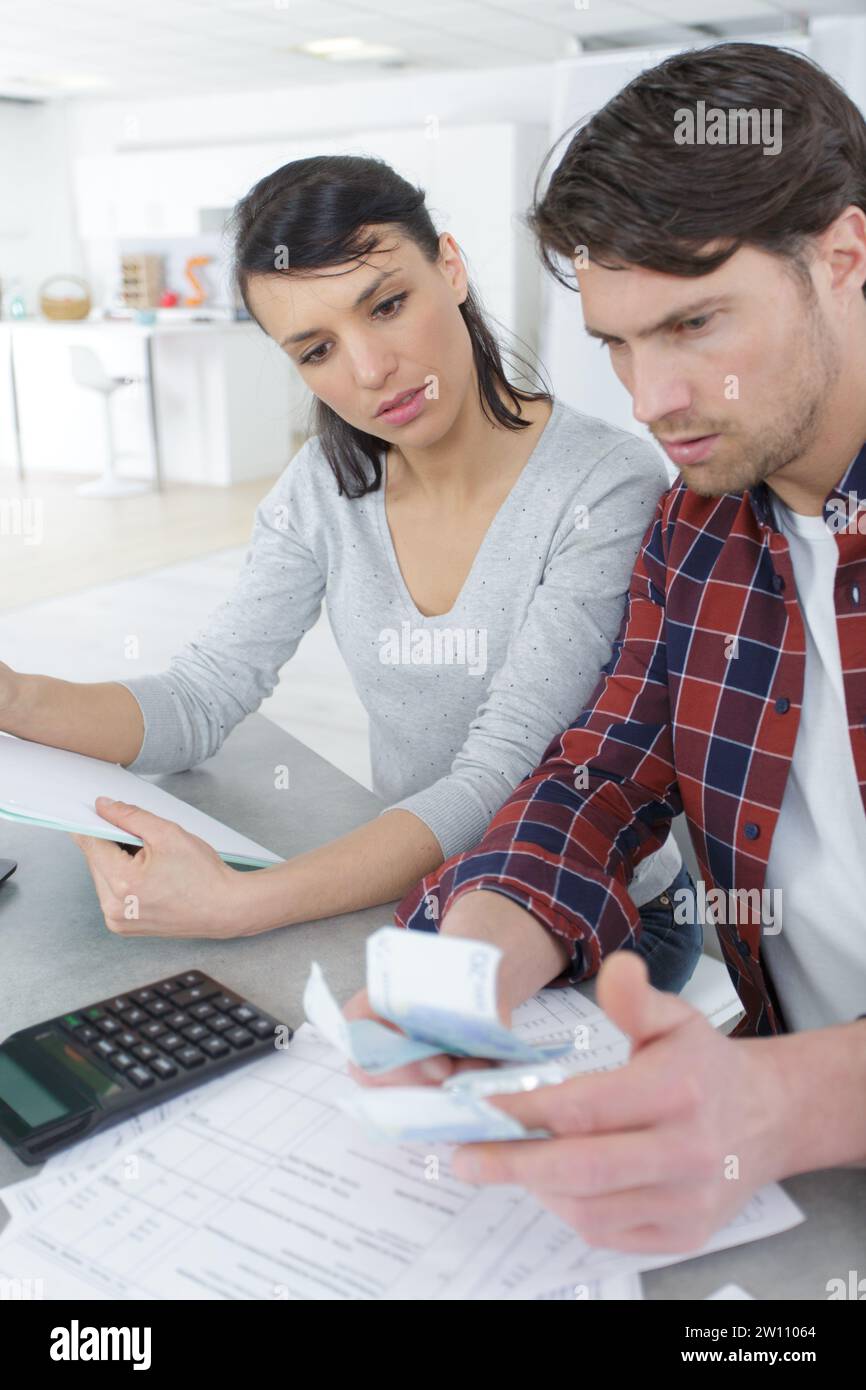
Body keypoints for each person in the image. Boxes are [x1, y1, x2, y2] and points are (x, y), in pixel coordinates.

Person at [344, 44, 866, 1253]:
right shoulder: (694, 522)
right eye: (618, 342)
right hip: (809, 1178)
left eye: (693, 324)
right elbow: (604, 768)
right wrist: (476, 952)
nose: (650, 397)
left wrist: (787, 1100)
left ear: (843, 255)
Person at [0, 154, 696, 985]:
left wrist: (237, 904)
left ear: (451, 265)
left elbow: (500, 777)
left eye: (389, 305)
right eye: (317, 349)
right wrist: (18, 698)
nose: (369, 372)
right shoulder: (321, 489)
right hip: (424, 886)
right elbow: (202, 696)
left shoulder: (604, 483)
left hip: (588, 915)